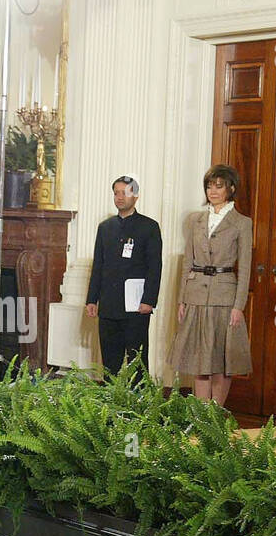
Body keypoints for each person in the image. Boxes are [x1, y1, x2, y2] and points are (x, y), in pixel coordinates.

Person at [169, 164, 253, 406]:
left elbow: (245, 267)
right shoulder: (196, 220)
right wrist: (182, 299)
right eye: (209, 186)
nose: (213, 191)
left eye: (219, 186)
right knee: (199, 361)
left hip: (224, 298)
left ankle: (215, 415)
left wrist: (239, 305)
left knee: (221, 361)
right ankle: (201, 416)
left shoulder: (241, 223)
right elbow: (188, 261)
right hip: (195, 296)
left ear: (231, 188)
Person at [85, 175, 163, 376]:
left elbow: (155, 267)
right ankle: (111, 403)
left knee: (137, 361)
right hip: (109, 305)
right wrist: (92, 299)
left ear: (135, 196)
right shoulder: (105, 228)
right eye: (116, 193)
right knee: (110, 362)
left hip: (136, 306)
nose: (119, 197)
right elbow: (98, 265)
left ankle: (140, 403)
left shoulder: (149, 227)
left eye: (125, 193)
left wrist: (149, 301)